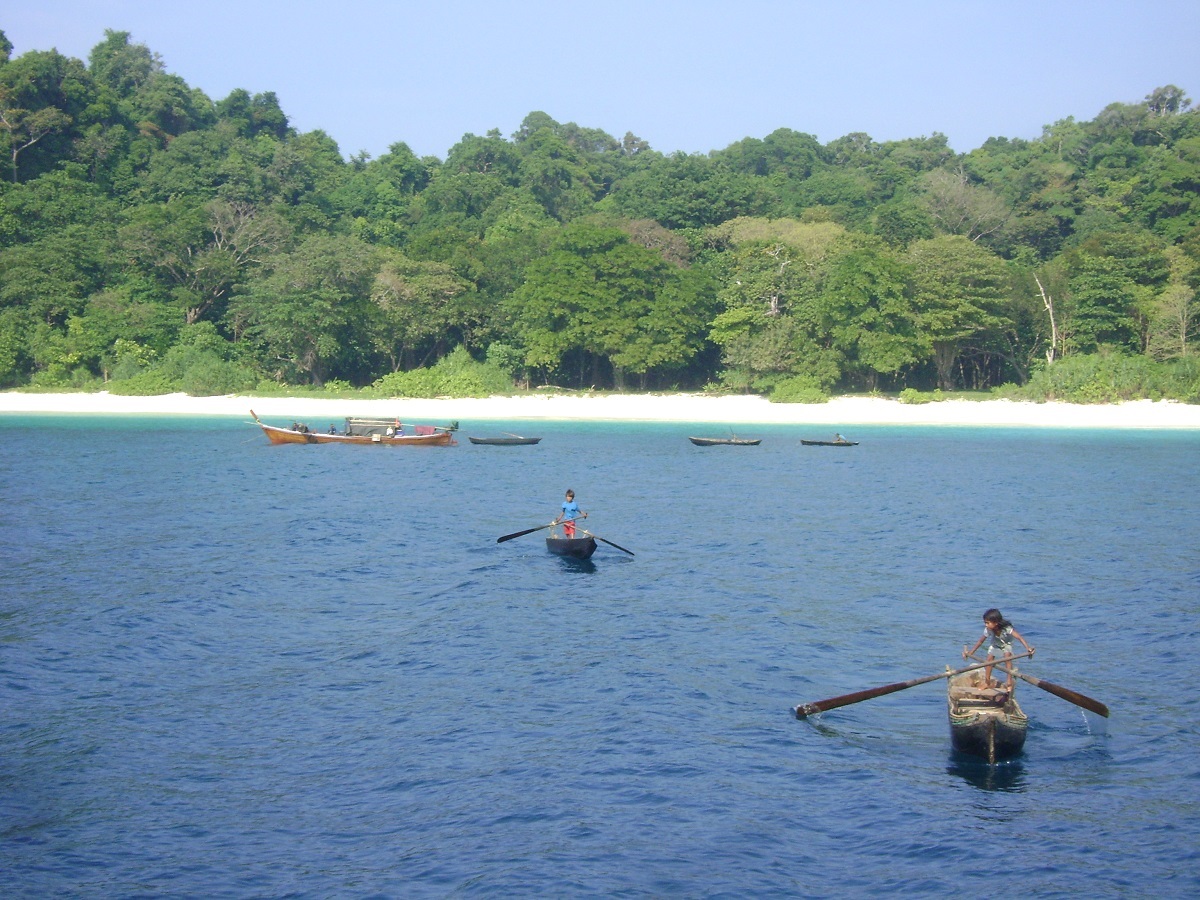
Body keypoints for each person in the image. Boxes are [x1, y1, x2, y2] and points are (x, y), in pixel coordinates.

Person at [964, 608, 1034, 690]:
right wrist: (971, 652)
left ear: (996, 622)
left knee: (1007, 657)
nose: (986, 625)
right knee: (989, 660)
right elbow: (980, 641)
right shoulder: (988, 630)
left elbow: (1019, 637)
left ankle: (1009, 682)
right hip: (996, 644)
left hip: (1006, 643)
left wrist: (1028, 648)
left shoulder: (1007, 628)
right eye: (985, 623)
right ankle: (987, 682)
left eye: (988, 623)